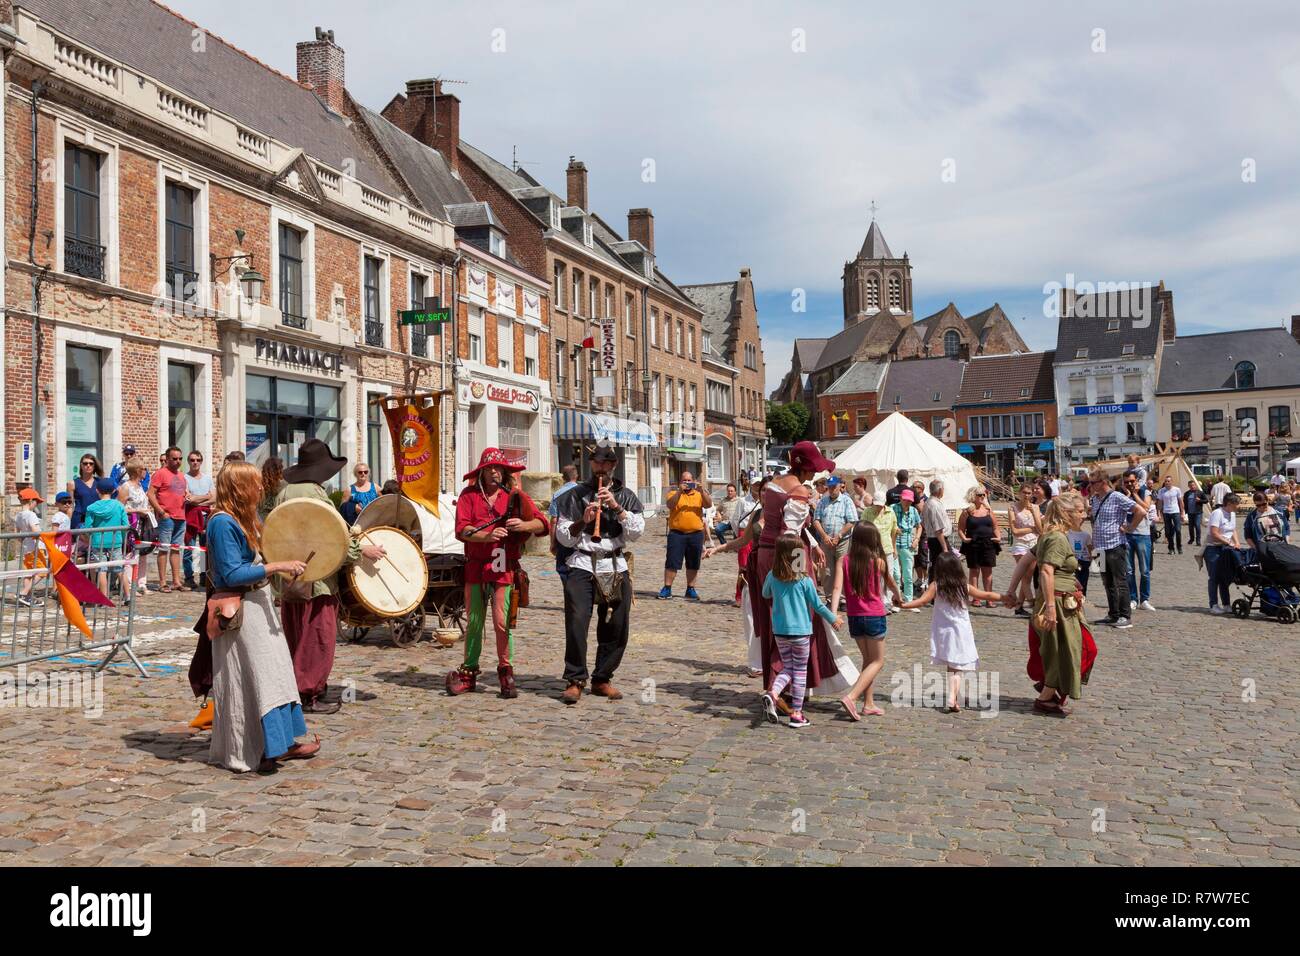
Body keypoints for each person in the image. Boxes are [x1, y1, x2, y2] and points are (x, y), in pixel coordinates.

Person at [203, 461, 317, 774]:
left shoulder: (245, 518)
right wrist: (276, 566)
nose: (260, 488)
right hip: (241, 609)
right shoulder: (222, 522)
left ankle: (282, 743)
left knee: (276, 674)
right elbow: (231, 572)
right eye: (253, 483)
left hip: (259, 603)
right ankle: (259, 747)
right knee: (257, 679)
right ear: (239, 487)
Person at [744, 440, 860, 715]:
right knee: (797, 618)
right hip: (785, 558)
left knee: (778, 618)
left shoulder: (774, 483)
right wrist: (796, 568)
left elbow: (780, 527)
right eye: (813, 469)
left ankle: (786, 685)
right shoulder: (797, 494)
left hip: (765, 556)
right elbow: (790, 536)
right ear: (806, 468)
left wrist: (815, 545)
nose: (814, 475)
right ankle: (779, 689)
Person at [272, 439, 386, 714]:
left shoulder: (284, 492)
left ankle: (295, 689)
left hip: (291, 575)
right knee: (318, 638)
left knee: (295, 635)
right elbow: (332, 538)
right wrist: (361, 551)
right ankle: (309, 693)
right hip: (318, 576)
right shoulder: (316, 495)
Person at [447, 449, 549, 699]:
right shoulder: (469, 495)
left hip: (504, 565)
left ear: (504, 472)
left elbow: (543, 524)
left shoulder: (514, 496)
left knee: (502, 621)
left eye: (499, 468)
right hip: (476, 566)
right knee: (474, 621)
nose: (495, 471)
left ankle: (506, 671)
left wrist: (524, 525)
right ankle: (469, 672)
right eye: (490, 467)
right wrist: (486, 535)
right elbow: (462, 530)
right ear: (481, 470)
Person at [554, 444, 646, 704]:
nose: (600, 468)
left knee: (616, 625)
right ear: (590, 463)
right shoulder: (574, 495)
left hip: (614, 565)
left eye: (606, 463)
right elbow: (563, 537)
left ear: (613, 466)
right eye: (596, 463)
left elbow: (636, 533)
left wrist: (617, 508)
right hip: (582, 563)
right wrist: (583, 520)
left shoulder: (625, 495)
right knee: (577, 622)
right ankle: (575, 679)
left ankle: (602, 678)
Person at [900, 552, 1001, 713]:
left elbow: (922, 601)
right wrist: (1005, 597)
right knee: (957, 666)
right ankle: (952, 697)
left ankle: (953, 694)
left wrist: (904, 605)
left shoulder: (936, 585)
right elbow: (986, 594)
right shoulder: (963, 586)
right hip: (961, 631)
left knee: (952, 665)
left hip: (943, 631)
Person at [760, 534, 844, 728]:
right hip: (800, 633)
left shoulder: (772, 576)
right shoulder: (804, 580)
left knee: (787, 667)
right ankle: (797, 714)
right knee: (798, 671)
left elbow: (765, 594)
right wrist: (834, 619)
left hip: (780, 631)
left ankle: (773, 694)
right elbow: (818, 605)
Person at [828, 522, 903, 721]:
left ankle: (868, 704)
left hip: (854, 617)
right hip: (874, 616)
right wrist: (899, 597)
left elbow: (836, 589)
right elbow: (892, 583)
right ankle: (852, 697)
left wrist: (833, 614)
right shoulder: (878, 561)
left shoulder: (843, 560)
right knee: (878, 661)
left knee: (868, 661)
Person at [1030, 492, 1090, 716]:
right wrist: (1051, 608)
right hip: (1057, 601)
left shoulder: (1052, 535)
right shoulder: (1056, 538)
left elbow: (1029, 560)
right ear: (1066, 513)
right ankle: (1046, 695)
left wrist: (1014, 591)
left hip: (1063, 600)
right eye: (1080, 511)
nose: (1084, 515)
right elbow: (1046, 570)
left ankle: (1051, 689)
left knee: (1065, 649)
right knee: (1066, 650)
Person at [703, 475, 768, 677]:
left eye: (769, 490)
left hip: (775, 571)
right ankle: (757, 663)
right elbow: (742, 541)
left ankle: (775, 659)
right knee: (750, 616)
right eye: (762, 490)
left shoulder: (783, 513)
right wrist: (718, 549)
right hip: (755, 569)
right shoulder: (756, 515)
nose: (765, 494)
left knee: (773, 618)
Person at [1089, 470, 1145, 629]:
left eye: (1093, 483)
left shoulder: (1116, 497)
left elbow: (1140, 511)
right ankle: (1113, 614)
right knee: (1107, 582)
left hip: (1114, 545)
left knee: (1120, 581)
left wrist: (1130, 527)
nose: (1090, 486)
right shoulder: (1094, 499)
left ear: (1103, 482)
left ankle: (1125, 615)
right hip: (1099, 547)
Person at [660, 470, 711, 601]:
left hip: (696, 534)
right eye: (684, 480)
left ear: (693, 481)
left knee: (693, 562)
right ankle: (667, 588)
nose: (687, 483)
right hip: (677, 534)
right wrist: (679, 492)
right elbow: (670, 505)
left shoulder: (699, 494)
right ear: (680, 482)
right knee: (672, 561)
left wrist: (702, 490)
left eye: (689, 480)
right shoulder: (673, 493)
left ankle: (690, 589)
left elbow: (709, 504)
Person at [147, 446, 189, 592]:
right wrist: (161, 511)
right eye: (174, 459)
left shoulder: (182, 476)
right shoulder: (160, 473)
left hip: (181, 516)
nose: (178, 461)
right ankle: (163, 582)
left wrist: (188, 497)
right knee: (164, 549)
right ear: (168, 459)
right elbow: (151, 494)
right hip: (167, 517)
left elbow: (183, 493)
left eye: (180, 459)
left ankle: (177, 581)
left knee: (176, 549)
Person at [85, 476, 129, 603]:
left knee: (101, 570)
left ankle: (104, 598)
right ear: (113, 491)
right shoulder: (119, 506)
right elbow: (125, 524)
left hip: (98, 541)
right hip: (116, 541)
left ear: (97, 491)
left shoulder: (91, 508)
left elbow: (88, 527)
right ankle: (128, 596)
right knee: (120, 569)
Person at [813, 475, 857, 592]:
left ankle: (842, 598)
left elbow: (852, 521)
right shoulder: (823, 501)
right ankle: (829, 597)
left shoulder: (847, 501)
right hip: (826, 540)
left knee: (841, 569)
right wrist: (824, 536)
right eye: (830, 487)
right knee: (827, 570)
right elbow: (816, 520)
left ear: (839, 486)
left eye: (834, 487)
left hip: (842, 541)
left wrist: (839, 536)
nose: (832, 490)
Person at [957, 485, 1000, 605]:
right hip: (973, 544)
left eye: (984, 494)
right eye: (979, 495)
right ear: (973, 496)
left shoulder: (988, 510)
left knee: (988, 571)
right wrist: (964, 538)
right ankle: (976, 598)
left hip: (988, 544)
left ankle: (989, 598)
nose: (982, 497)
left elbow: (995, 527)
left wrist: (998, 537)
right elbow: (960, 528)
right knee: (974, 571)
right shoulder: (967, 512)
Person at [117, 458, 153, 596]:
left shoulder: (140, 486)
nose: (145, 471)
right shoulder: (126, 487)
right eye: (144, 468)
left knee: (143, 553)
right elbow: (119, 508)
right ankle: (129, 585)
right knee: (130, 554)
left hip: (143, 523)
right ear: (138, 470)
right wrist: (137, 511)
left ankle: (141, 583)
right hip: (131, 523)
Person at [860, 490, 900, 612]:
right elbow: (861, 529)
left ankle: (887, 601)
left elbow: (894, 530)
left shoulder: (890, 512)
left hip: (887, 547)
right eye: (876, 504)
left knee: (889, 574)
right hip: (871, 549)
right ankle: (877, 600)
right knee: (874, 576)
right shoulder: (867, 512)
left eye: (880, 505)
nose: (878, 507)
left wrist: (894, 548)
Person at [1122, 470, 1155, 612]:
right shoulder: (1121, 495)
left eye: (1132, 481)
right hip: (1127, 535)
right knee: (1129, 570)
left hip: (1143, 534)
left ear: (1137, 481)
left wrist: (1135, 494)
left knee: (1144, 570)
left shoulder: (1144, 491)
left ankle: (1145, 599)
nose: (1129, 484)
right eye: (1126, 482)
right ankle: (1133, 598)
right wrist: (1128, 496)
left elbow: (1146, 508)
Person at [1007, 483, 1042, 616]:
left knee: (1028, 576)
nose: (1026, 495)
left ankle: (1019, 607)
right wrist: (1030, 529)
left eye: (1029, 493)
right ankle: (1033, 603)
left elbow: (1040, 529)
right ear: (1019, 493)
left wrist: (1033, 513)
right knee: (1024, 575)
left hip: (1033, 543)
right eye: (1024, 493)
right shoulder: (1013, 508)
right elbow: (1015, 531)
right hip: (1020, 544)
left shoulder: (1035, 508)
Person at [1205, 493, 1242, 615]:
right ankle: (1213, 604)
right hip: (1214, 548)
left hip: (1226, 549)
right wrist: (1228, 542)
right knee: (1214, 577)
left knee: (1225, 577)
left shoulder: (1232, 514)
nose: (1239, 506)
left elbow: (1233, 530)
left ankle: (1226, 604)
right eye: (1237, 504)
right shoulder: (1217, 513)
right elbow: (1214, 533)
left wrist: (1236, 542)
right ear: (1230, 504)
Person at [182, 450, 214, 590]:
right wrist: (205, 497)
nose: (195, 462)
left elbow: (214, 497)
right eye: (193, 460)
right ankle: (189, 577)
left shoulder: (207, 478)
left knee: (204, 549)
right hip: (190, 516)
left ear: (201, 462)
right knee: (188, 548)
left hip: (206, 516)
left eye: (198, 460)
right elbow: (188, 499)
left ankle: (203, 576)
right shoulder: (184, 478)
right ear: (189, 462)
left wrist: (197, 500)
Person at [548, 463, 581, 582]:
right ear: (576, 476)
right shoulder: (583, 492)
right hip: (581, 537)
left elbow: (553, 521)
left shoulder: (557, 494)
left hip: (563, 537)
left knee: (564, 570)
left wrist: (552, 543)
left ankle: (569, 595)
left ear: (562, 478)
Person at [13, 488, 44, 607]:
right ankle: (23, 593)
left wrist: (24, 541)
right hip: (35, 547)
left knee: (29, 573)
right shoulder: (31, 515)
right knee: (43, 572)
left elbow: (17, 534)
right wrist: (43, 539)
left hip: (26, 549)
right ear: (31, 501)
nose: (37, 504)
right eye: (36, 501)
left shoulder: (18, 516)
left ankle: (27, 597)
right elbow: (35, 530)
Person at [892, 489, 921, 609]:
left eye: (909, 500)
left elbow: (919, 526)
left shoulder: (914, 511)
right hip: (894, 544)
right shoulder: (893, 508)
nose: (907, 502)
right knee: (895, 574)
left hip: (908, 544)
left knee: (908, 574)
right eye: (905, 500)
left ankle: (908, 601)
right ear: (901, 499)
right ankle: (896, 600)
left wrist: (917, 539)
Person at [921, 479, 952, 586]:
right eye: (942, 489)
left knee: (937, 565)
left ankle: (935, 591)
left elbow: (923, 522)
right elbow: (938, 529)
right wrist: (945, 547)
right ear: (939, 490)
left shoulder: (929, 502)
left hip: (935, 538)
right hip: (939, 540)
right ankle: (937, 592)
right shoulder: (934, 504)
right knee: (942, 566)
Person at [67, 454, 104, 530]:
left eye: (91, 463)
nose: (88, 465)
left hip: (97, 519)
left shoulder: (100, 482)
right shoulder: (72, 484)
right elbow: (70, 506)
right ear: (81, 466)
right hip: (79, 520)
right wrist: (67, 523)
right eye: (85, 463)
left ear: (94, 466)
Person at [1156, 474, 1185, 555]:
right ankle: (1171, 548)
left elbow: (1181, 502)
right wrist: (1158, 513)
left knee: (1178, 530)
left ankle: (1179, 547)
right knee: (1168, 532)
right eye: (1165, 481)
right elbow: (1159, 503)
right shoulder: (1161, 491)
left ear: (1171, 482)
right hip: (1166, 512)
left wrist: (1182, 512)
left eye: (1168, 481)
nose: (1167, 482)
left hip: (1175, 511)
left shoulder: (1177, 490)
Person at [258, 457, 285, 521]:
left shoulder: (258, 484)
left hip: (261, 519)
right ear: (280, 470)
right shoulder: (284, 485)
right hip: (277, 519)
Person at [1184, 479, 1207, 548]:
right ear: (1188, 486)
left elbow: (1206, 500)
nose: (1192, 487)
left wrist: (1200, 500)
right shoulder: (1187, 493)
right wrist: (1185, 511)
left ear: (1195, 485)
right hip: (1190, 512)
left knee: (1197, 525)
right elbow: (1184, 502)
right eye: (1191, 485)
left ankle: (1198, 540)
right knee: (1190, 527)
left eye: (1193, 485)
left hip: (1198, 512)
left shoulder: (1200, 493)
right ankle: (1191, 539)